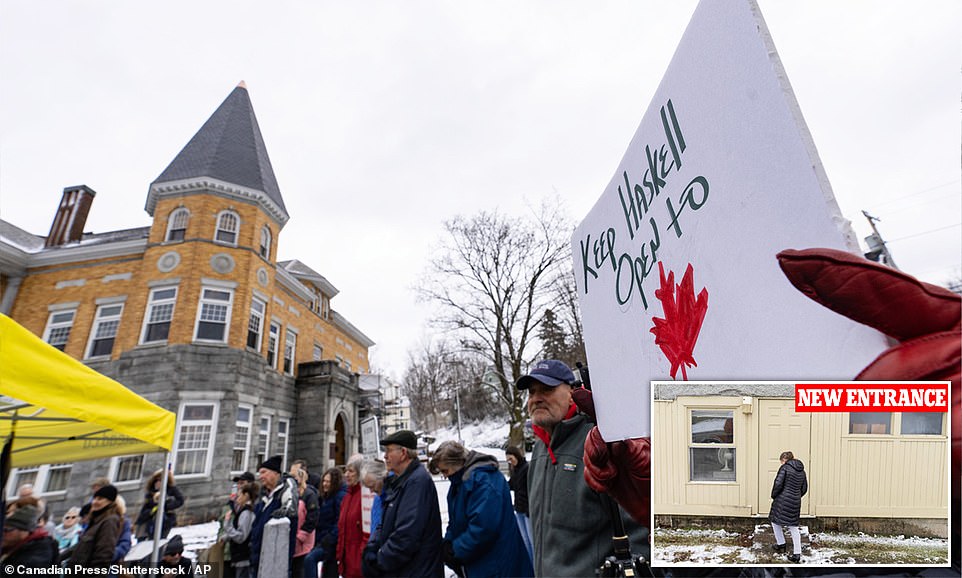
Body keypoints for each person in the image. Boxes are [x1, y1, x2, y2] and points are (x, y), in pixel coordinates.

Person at [517, 359, 648, 578]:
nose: (536, 398)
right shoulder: (539, 450)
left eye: (547, 389)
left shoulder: (600, 444)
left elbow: (640, 534)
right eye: (531, 392)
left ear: (572, 393)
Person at [429, 441, 533, 578]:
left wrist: (455, 551)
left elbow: (483, 529)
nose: (444, 476)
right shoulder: (459, 484)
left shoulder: (484, 481)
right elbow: (456, 522)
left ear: (457, 463)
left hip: (496, 564)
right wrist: (448, 543)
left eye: (445, 471)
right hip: (480, 562)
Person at [362, 430, 442, 578]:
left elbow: (406, 535)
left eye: (389, 451)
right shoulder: (401, 481)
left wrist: (379, 561)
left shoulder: (417, 482)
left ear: (403, 453)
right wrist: (372, 547)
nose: (385, 456)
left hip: (416, 571)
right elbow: (386, 523)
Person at [249, 455, 298, 577]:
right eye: (259, 473)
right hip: (258, 554)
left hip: (276, 558)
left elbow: (290, 510)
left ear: (276, 473)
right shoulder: (263, 494)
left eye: (264, 472)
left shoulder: (286, 490)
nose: (260, 477)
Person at [305, 467, 345, 578]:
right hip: (325, 540)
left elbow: (339, 522)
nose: (325, 484)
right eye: (324, 481)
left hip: (330, 542)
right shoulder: (326, 497)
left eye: (328, 482)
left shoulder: (338, 497)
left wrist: (328, 540)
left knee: (310, 559)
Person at [768, 451, 808, 563]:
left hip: (782, 500)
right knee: (793, 526)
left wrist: (774, 495)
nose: (781, 463)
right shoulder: (802, 471)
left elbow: (778, 484)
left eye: (781, 461)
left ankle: (781, 544)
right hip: (795, 501)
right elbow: (804, 488)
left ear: (784, 460)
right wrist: (796, 496)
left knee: (775, 521)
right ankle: (796, 553)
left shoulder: (785, 468)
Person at [70, 484, 123, 569]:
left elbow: (104, 555)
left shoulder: (110, 521)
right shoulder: (96, 521)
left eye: (100, 499)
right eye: (94, 498)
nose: (95, 502)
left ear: (109, 501)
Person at [0, 504, 59, 568]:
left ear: (24, 531)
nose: (2, 534)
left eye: (6, 530)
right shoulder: (13, 545)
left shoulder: (40, 549)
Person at [336, 456, 366, 578]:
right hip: (345, 564)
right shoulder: (346, 497)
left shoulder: (365, 496)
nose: (346, 474)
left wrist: (360, 558)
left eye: (351, 471)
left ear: (360, 473)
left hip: (358, 566)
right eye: (346, 470)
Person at [135, 469, 184, 540]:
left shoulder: (171, 490)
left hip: (165, 520)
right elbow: (147, 506)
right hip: (149, 518)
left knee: (160, 539)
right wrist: (154, 507)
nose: (158, 482)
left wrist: (166, 506)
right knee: (144, 539)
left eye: (160, 480)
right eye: (156, 480)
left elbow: (180, 500)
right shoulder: (151, 491)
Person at [504, 445, 534, 565]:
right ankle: (530, 566)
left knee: (532, 541)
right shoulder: (514, 470)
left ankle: (535, 567)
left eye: (511, 459)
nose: (510, 462)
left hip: (527, 510)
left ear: (516, 456)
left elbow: (530, 489)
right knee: (525, 540)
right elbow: (510, 485)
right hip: (519, 509)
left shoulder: (526, 468)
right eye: (508, 461)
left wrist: (529, 508)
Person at [224, 482, 259, 578]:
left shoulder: (246, 513)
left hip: (243, 558)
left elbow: (241, 537)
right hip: (240, 556)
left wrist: (227, 524)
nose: (236, 498)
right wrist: (226, 537)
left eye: (239, 495)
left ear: (246, 495)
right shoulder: (244, 511)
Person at [293, 468, 316, 576]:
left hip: (303, 542)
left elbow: (312, 517)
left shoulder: (309, 495)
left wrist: (301, 536)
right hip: (294, 541)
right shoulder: (292, 494)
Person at [359, 459, 388, 540]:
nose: (371, 491)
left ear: (382, 477)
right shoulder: (377, 499)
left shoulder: (392, 496)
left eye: (372, 486)